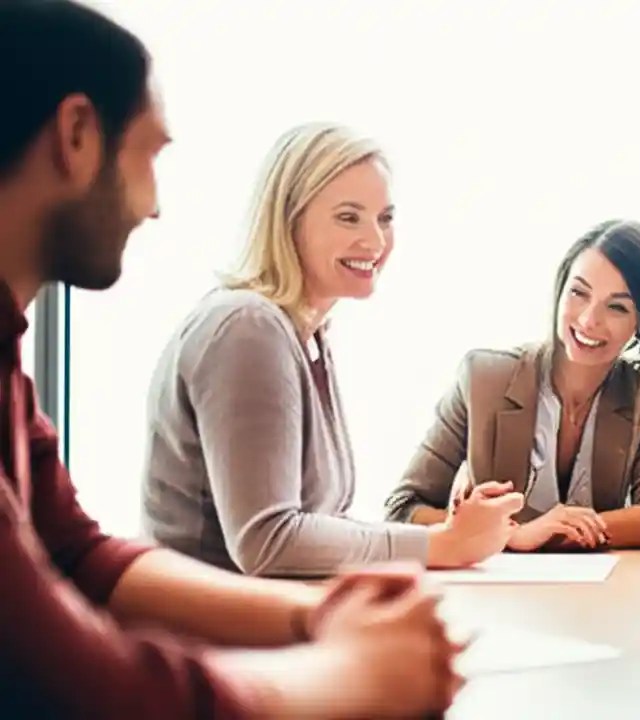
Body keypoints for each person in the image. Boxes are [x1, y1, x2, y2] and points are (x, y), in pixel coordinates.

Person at [0, 2, 465, 717]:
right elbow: (59, 669)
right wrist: (351, 674)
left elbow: (79, 552)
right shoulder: (246, 325)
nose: (153, 206)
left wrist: (317, 621)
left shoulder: (10, 364)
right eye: (150, 155)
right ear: (76, 135)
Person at [140, 122, 524, 577]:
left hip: (268, 619)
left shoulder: (305, 334)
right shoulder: (248, 328)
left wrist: (453, 533)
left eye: (385, 218)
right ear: (289, 220)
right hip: (213, 632)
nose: (376, 242)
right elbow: (267, 541)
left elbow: (318, 527)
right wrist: (441, 544)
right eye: (348, 217)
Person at [385, 220, 640, 550]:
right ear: (560, 292)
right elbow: (403, 508)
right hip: (493, 595)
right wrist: (514, 534)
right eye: (578, 292)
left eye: (616, 307)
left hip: (592, 595)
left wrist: (565, 529)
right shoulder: (483, 379)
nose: (589, 320)